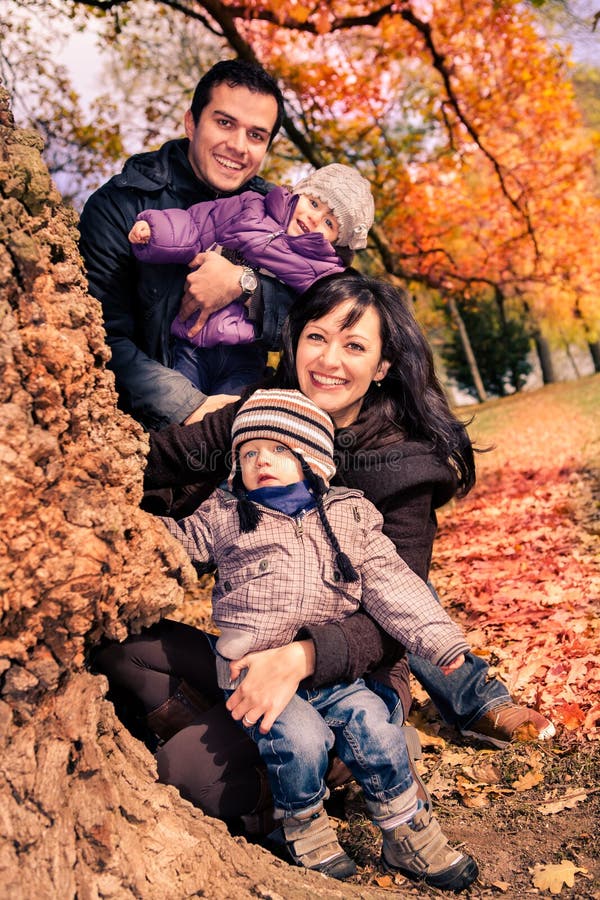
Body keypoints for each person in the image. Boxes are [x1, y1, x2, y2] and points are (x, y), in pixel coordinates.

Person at [94, 272, 554, 850]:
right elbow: (154, 463)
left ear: (383, 365)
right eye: (316, 337)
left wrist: (301, 657)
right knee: (120, 648)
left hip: (347, 675)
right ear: (295, 343)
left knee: (184, 776)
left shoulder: (402, 463)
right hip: (246, 656)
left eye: (355, 345)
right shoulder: (258, 416)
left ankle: (350, 759)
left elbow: (397, 616)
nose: (329, 359)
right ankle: (261, 744)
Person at [157, 387, 478, 889]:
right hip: (255, 669)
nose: (262, 461)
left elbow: (394, 584)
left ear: (313, 459)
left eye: (280, 449)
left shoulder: (350, 514)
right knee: (301, 741)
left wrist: (442, 642)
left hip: (334, 670)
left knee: (375, 725)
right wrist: (125, 528)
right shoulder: (225, 514)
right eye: (249, 453)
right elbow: (177, 541)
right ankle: (303, 825)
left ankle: (406, 831)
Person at [79, 58, 295, 430]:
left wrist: (245, 285)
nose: (238, 146)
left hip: (246, 408)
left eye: (256, 135)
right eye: (224, 123)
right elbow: (99, 333)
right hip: (146, 424)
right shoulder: (121, 204)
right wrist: (189, 407)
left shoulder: (278, 215)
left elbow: (313, 316)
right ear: (191, 122)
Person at [127, 163, 374, 392]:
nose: (314, 218)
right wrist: (156, 230)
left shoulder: (322, 268)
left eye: (329, 222)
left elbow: (306, 315)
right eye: (314, 203)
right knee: (180, 393)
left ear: (337, 242)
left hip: (247, 354)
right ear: (299, 192)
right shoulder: (251, 207)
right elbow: (196, 223)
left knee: (229, 414)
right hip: (191, 339)